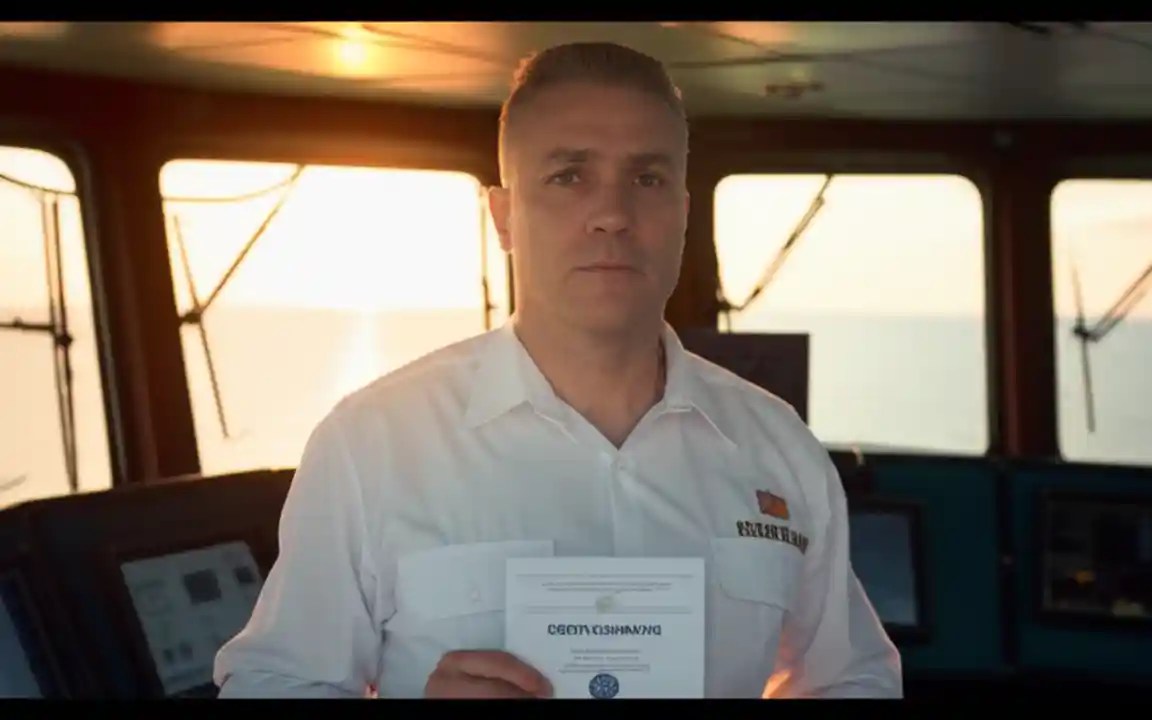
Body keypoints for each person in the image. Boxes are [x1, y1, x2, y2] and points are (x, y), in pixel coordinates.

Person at [212, 41, 902, 699]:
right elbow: (273, 680)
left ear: (682, 213)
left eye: (647, 177)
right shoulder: (370, 445)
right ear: (504, 215)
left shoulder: (778, 447)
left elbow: (850, 676)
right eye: (569, 175)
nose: (612, 213)